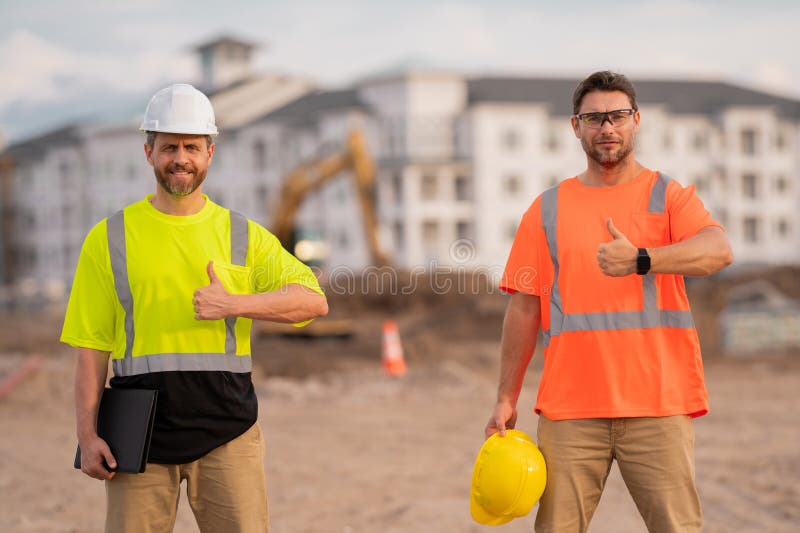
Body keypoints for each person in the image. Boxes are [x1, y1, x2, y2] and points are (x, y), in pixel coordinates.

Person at [62, 83, 328, 533]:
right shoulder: (109, 239)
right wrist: (87, 436)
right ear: (148, 152)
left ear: (210, 153)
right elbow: (91, 348)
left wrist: (236, 303)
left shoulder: (243, 235)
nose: (180, 157)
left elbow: (313, 300)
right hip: (138, 440)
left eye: (191, 146)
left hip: (229, 433)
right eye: (169, 147)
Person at [484, 71, 733, 533]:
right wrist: (505, 397)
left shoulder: (669, 196)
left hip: (658, 405)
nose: (607, 128)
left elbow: (718, 251)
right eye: (594, 118)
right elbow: (523, 307)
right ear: (575, 126)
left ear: (636, 120)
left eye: (617, 116)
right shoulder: (547, 209)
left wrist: (642, 258)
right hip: (571, 410)